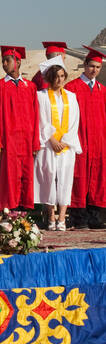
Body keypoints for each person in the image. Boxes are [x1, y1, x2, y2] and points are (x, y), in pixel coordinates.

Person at [34, 64, 82, 231]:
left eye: (62, 76)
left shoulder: (71, 96)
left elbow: (75, 121)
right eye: (56, 76)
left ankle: (62, 217)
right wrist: (51, 139)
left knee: (65, 179)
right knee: (48, 178)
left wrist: (66, 140)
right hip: (48, 144)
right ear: (49, 78)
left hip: (66, 146)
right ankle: (51, 216)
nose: (59, 79)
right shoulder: (40, 96)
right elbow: (40, 120)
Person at [0, 45, 39, 214]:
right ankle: (8, 213)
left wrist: (35, 143)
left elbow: (36, 116)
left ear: (18, 62)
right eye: (3, 61)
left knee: (26, 177)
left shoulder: (30, 87)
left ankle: (24, 215)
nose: (4, 64)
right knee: (9, 178)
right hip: (8, 140)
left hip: (26, 141)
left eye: (8, 60)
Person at [66, 49, 106, 230]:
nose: (94, 70)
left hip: (99, 142)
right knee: (79, 178)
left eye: (98, 67)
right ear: (85, 65)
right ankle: (78, 218)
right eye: (91, 66)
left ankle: (95, 217)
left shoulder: (103, 91)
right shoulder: (72, 88)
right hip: (79, 140)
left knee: (98, 179)